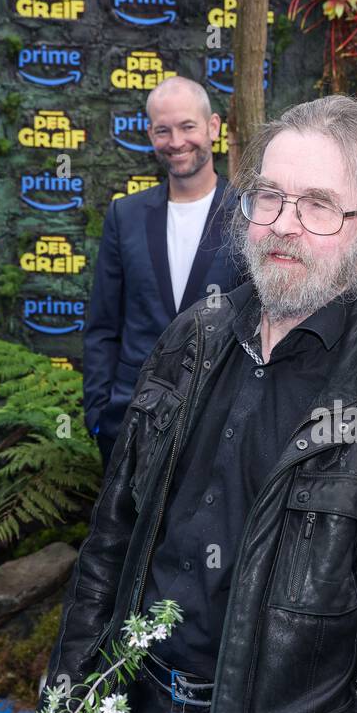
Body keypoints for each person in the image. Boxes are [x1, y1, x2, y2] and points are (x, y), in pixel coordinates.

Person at [34, 95, 357, 713]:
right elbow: (115, 536)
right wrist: (70, 701)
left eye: (320, 204)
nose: (285, 223)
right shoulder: (191, 339)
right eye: (270, 195)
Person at [83, 76, 245, 466]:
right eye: (163, 130)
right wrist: (98, 413)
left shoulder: (249, 215)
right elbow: (103, 324)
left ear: (213, 127)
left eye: (187, 126)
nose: (176, 141)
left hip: (216, 427)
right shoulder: (126, 215)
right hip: (130, 423)